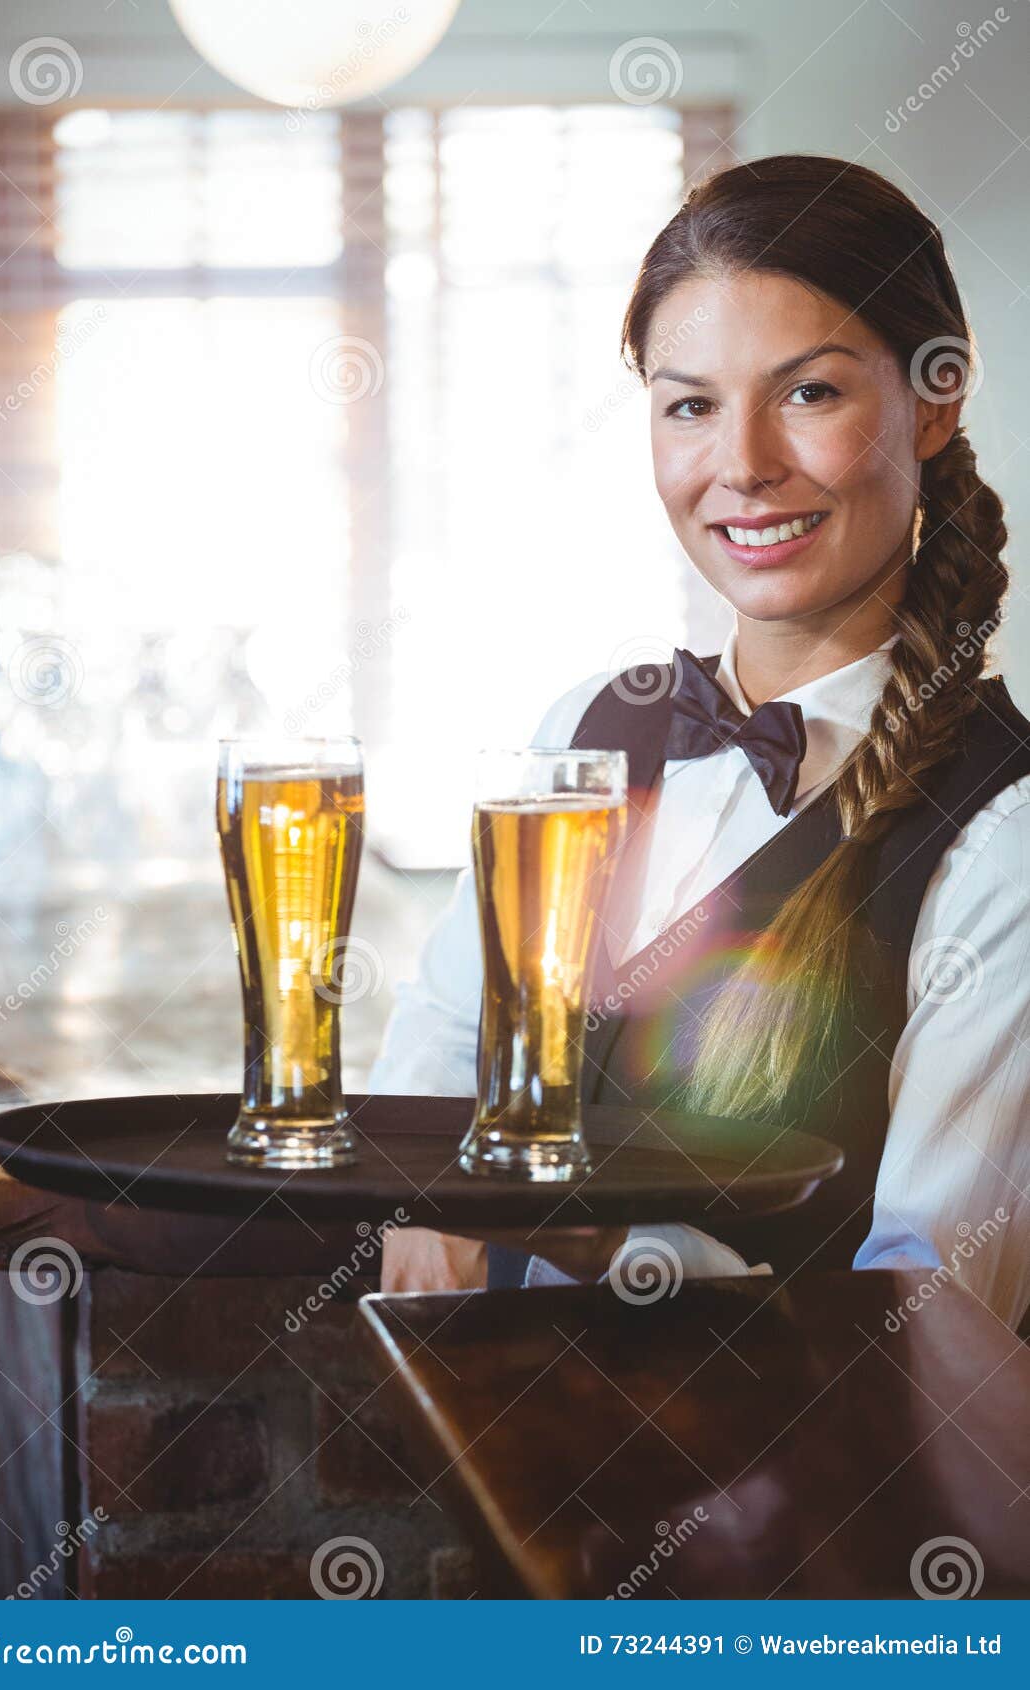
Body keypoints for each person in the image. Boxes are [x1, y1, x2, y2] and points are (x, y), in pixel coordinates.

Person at [369, 154, 1030, 1332]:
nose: (742, 465)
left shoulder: (1005, 835)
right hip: (480, 1427)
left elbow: (934, 1318)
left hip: (788, 1457)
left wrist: (598, 1237)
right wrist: (415, 1191)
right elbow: (441, 1032)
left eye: (807, 393)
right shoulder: (587, 729)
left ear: (933, 401)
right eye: (691, 406)